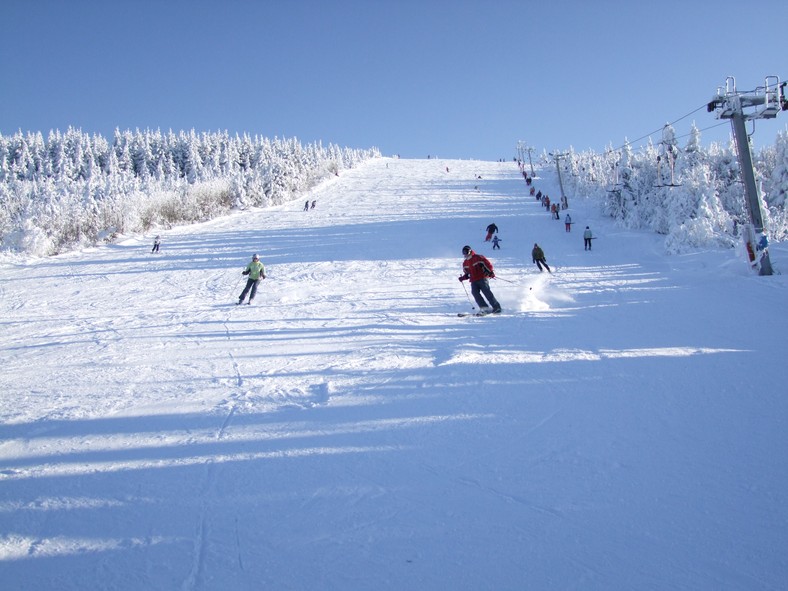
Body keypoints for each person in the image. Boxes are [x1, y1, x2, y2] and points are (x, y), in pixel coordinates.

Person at [459, 245, 501, 314]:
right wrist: (462, 278)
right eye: (463, 252)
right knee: (475, 293)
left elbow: (488, 265)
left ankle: (497, 307)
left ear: (469, 251)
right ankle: (484, 308)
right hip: (473, 280)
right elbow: (467, 274)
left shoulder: (478, 257)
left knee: (487, 292)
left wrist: (490, 272)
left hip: (482, 278)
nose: (465, 254)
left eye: (466, 252)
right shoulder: (465, 263)